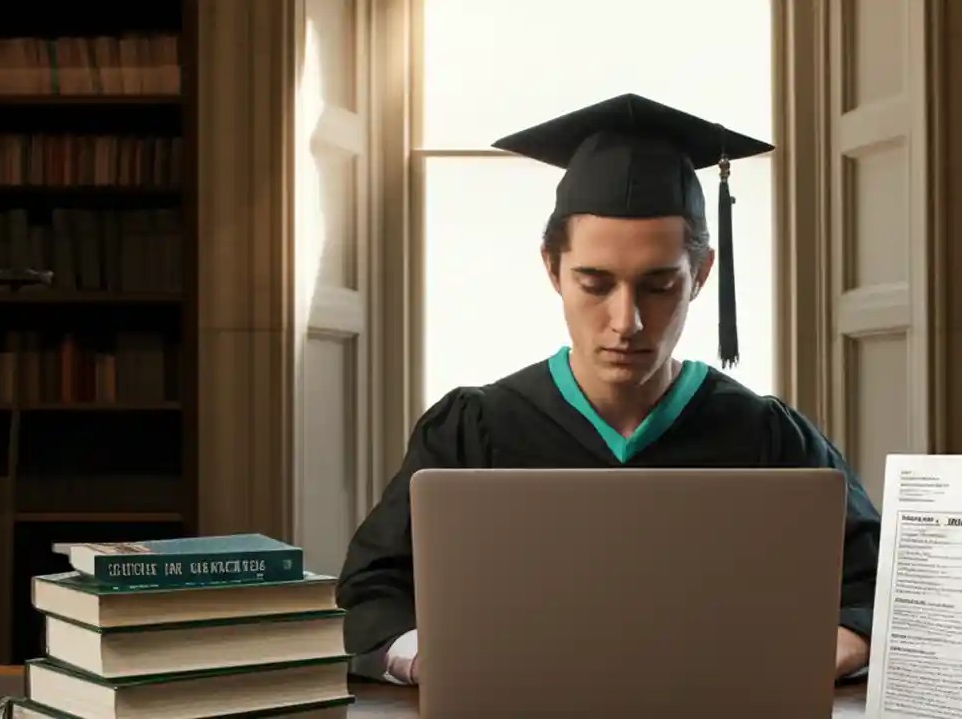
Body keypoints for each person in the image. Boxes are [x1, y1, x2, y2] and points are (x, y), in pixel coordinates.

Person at [337, 93, 882, 686]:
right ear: (552, 269)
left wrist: (840, 645)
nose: (628, 322)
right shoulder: (474, 429)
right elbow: (372, 593)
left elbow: (881, 587)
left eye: (659, 286)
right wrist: (424, 656)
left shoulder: (768, 437)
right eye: (594, 283)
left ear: (701, 275)